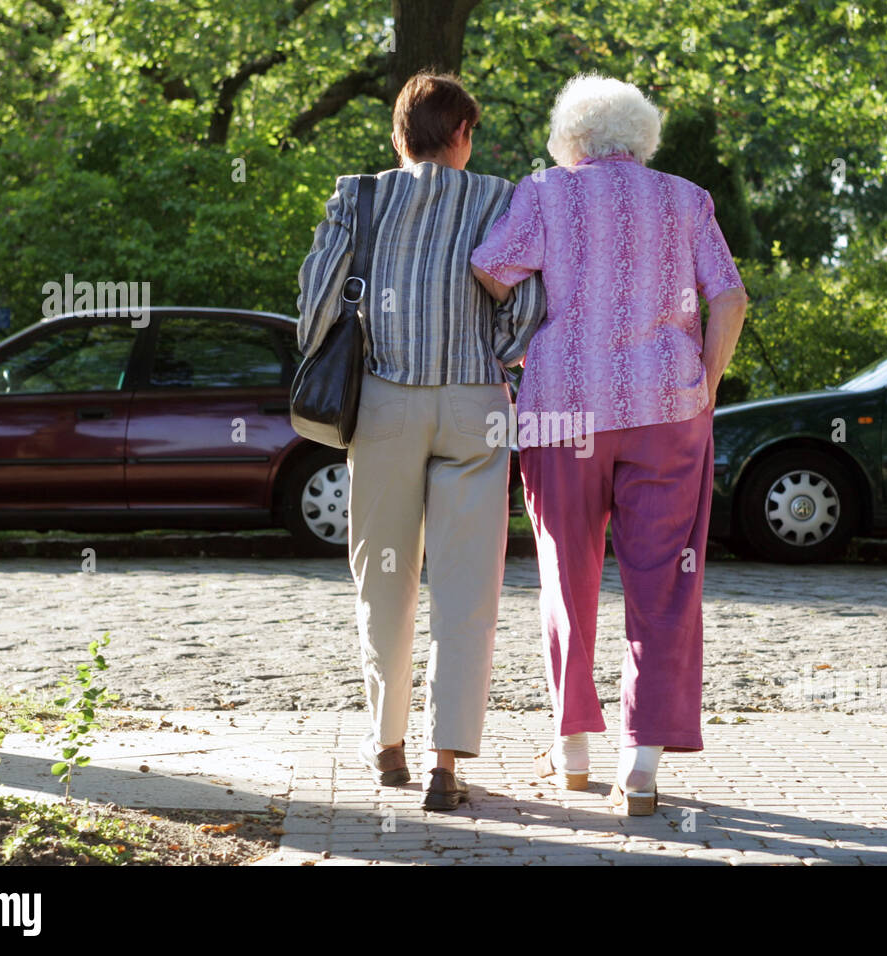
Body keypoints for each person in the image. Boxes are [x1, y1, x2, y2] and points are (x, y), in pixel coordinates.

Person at [471, 74, 748, 815]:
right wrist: (707, 379)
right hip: (668, 407)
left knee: (569, 573)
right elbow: (730, 295)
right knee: (666, 583)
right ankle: (643, 764)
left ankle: (571, 747)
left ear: (571, 139)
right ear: (643, 138)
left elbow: (490, 272)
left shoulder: (544, 192)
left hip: (564, 407)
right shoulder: (686, 199)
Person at [296, 72, 546, 811]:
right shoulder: (503, 199)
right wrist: (493, 352)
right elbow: (526, 303)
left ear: (397, 136)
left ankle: (387, 745)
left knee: (383, 579)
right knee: (468, 589)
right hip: (475, 405)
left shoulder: (359, 197)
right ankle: (446, 764)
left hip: (385, 403)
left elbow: (314, 303)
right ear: (463, 134)